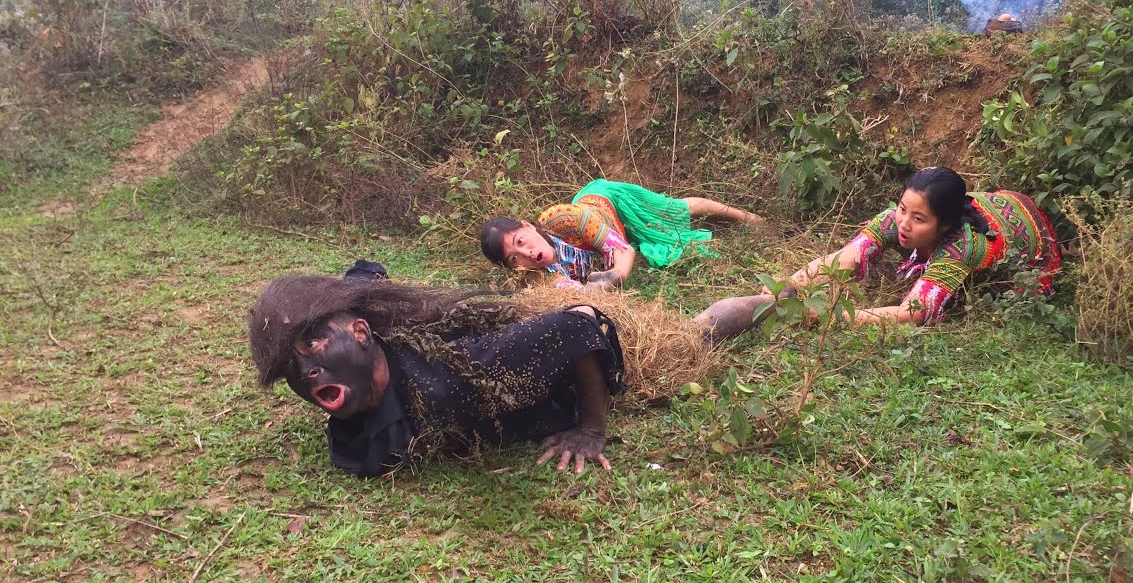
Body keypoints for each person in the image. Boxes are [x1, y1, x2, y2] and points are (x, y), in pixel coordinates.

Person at [248, 275, 626, 477]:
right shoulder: (354, 430)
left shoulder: (454, 375)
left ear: (361, 333)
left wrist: (591, 428)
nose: (306, 372)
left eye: (312, 346)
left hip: (556, 386)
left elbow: (577, 324)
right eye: (290, 367)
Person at [694, 167, 1061, 340]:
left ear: (945, 225)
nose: (904, 224)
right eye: (902, 209)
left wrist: (823, 316)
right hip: (991, 201)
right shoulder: (896, 218)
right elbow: (848, 256)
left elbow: (913, 313)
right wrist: (789, 287)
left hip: (1031, 233)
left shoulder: (961, 247)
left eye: (919, 219)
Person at [479, 179, 762, 291]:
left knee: (673, 211)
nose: (527, 254)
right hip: (603, 229)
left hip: (609, 200)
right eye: (514, 259)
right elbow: (572, 292)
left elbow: (623, 250)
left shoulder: (566, 217)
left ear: (527, 226)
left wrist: (616, 276)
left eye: (520, 241)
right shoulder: (535, 278)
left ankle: (747, 217)